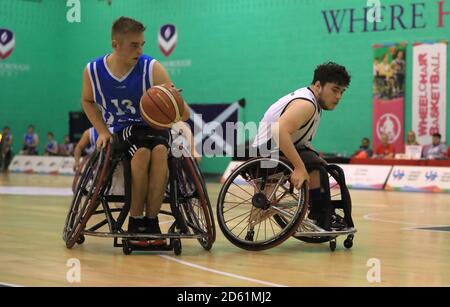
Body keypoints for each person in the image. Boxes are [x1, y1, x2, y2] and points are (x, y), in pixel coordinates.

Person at [81, 16, 190, 244]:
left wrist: (175, 101)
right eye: (134, 45)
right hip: (121, 130)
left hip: (154, 129)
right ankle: (135, 220)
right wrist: (101, 130)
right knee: (142, 152)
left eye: (142, 44)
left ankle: (151, 222)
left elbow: (184, 114)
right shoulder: (93, 71)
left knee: (160, 152)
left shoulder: (152, 68)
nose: (139, 50)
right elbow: (87, 101)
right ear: (115, 44)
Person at [252, 62, 351, 230]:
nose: (339, 96)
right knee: (314, 166)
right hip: (264, 155)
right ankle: (320, 215)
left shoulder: (312, 102)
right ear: (318, 85)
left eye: (342, 92)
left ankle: (322, 213)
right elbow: (279, 130)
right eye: (335, 90)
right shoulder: (306, 104)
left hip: (272, 150)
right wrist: (299, 167)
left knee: (321, 164)